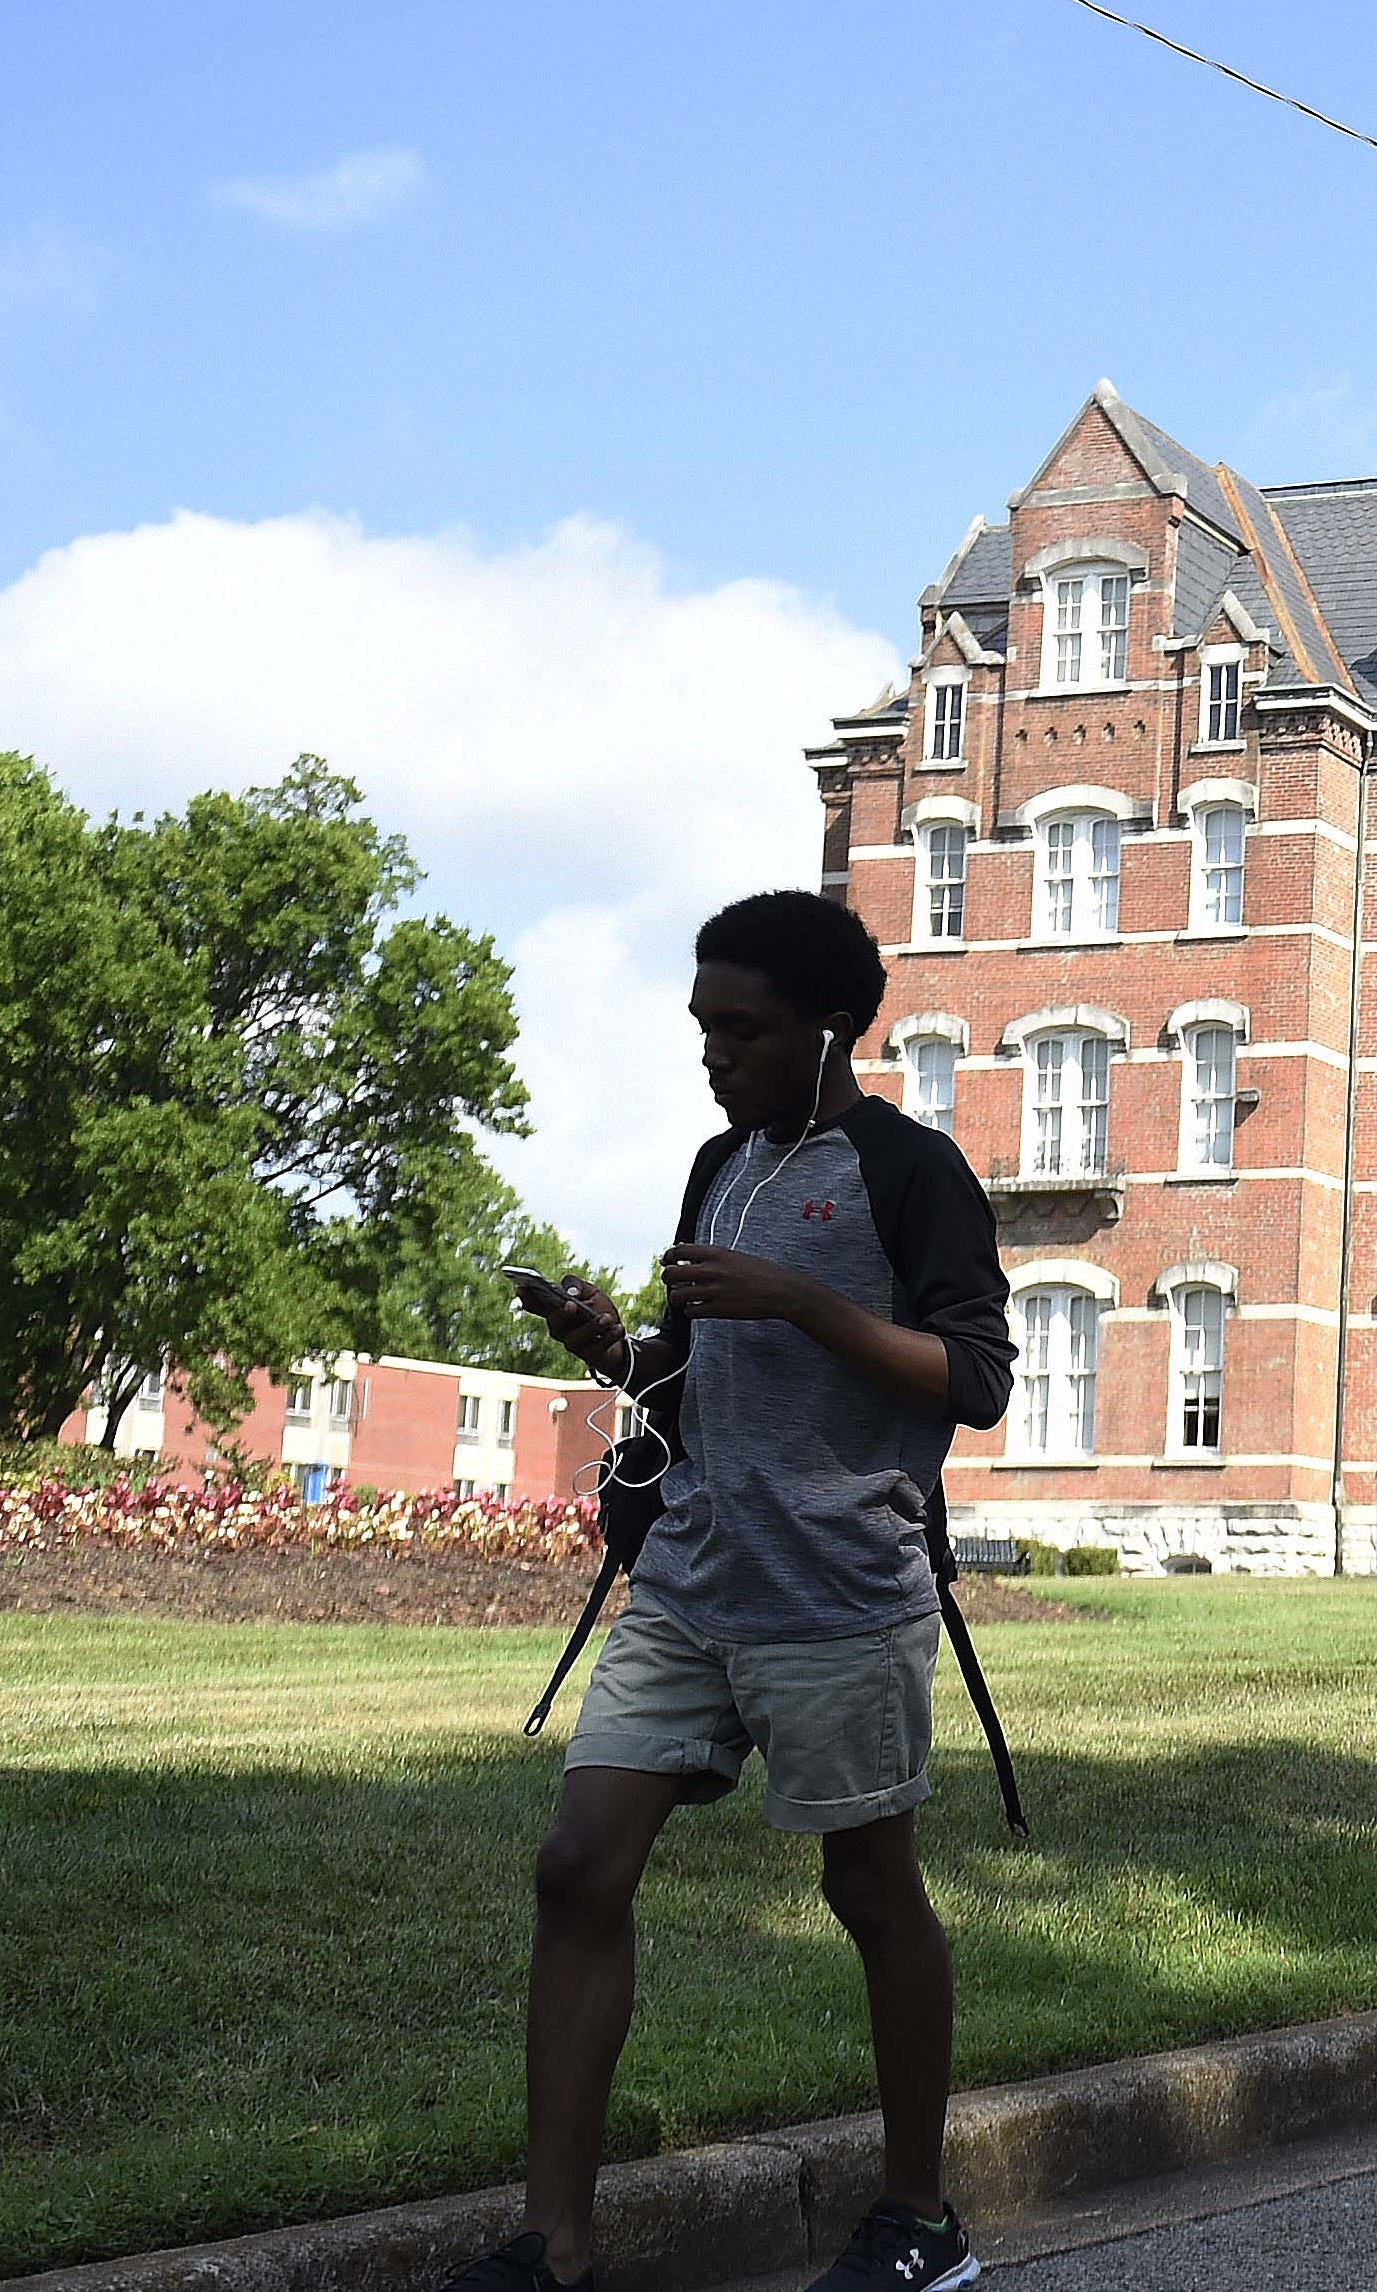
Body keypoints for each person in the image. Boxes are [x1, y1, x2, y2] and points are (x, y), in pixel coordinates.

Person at [454, 890, 1016, 2292]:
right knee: (578, 1867)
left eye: (741, 1030)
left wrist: (807, 1303)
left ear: (827, 1027)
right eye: (703, 1027)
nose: (714, 1053)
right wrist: (614, 1348)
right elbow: (693, 1387)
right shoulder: (720, 1164)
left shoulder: (911, 1170)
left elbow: (980, 1381)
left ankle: (917, 2222)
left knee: (870, 1890)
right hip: (694, 1577)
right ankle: (554, 2243)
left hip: (838, 1589)